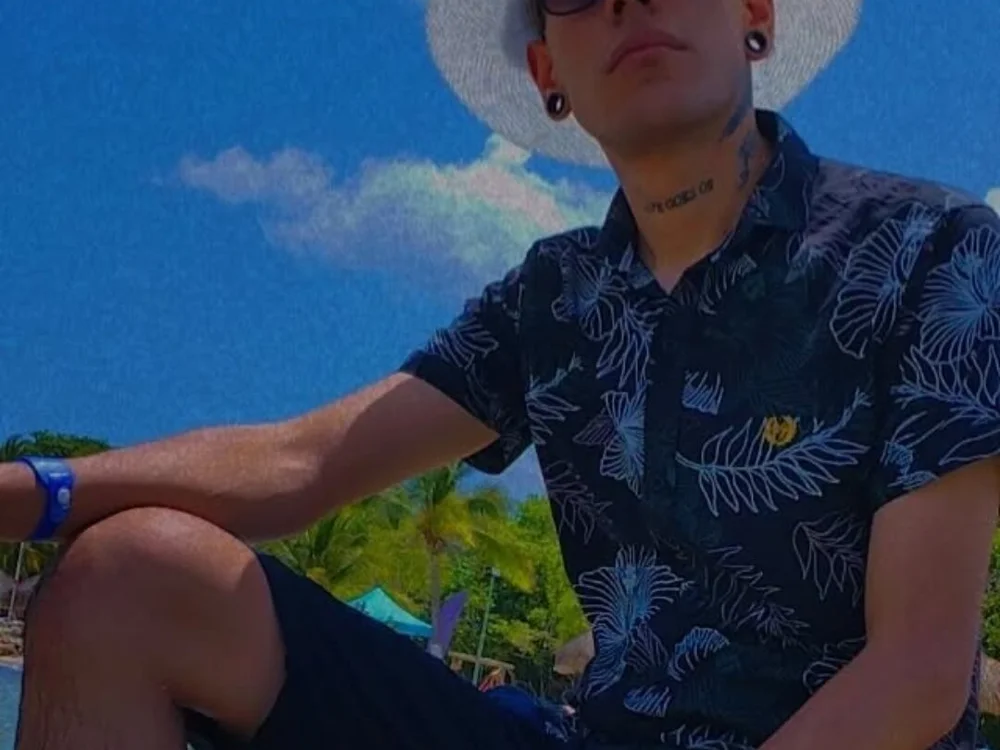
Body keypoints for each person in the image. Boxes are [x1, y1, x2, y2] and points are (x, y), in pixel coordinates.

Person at [7, 0, 1000, 747]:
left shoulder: (930, 251)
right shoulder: (553, 300)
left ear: (756, 13)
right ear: (546, 71)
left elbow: (917, 669)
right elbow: (304, 461)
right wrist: (28, 493)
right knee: (125, 581)